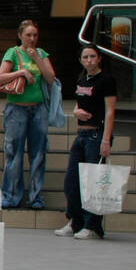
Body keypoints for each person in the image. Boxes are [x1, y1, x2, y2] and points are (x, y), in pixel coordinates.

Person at [56, 45, 117, 240]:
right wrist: (75, 111)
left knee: (94, 181)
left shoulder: (107, 80)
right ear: (81, 60)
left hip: (96, 135)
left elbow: (110, 111)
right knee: (71, 181)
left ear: (99, 58)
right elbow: (79, 102)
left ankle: (92, 225)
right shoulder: (82, 79)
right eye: (85, 57)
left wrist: (106, 139)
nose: (89, 60)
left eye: (92, 56)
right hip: (81, 135)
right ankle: (75, 221)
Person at [0, 20, 56, 209]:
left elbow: (50, 78)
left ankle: (36, 197)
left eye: (35, 35)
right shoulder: (13, 53)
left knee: (38, 153)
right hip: (17, 109)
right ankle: (11, 195)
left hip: (38, 109)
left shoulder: (41, 54)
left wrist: (37, 59)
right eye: (28, 35)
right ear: (20, 35)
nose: (32, 39)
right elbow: (0, 78)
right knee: (14, 153)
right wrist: (21, 72)